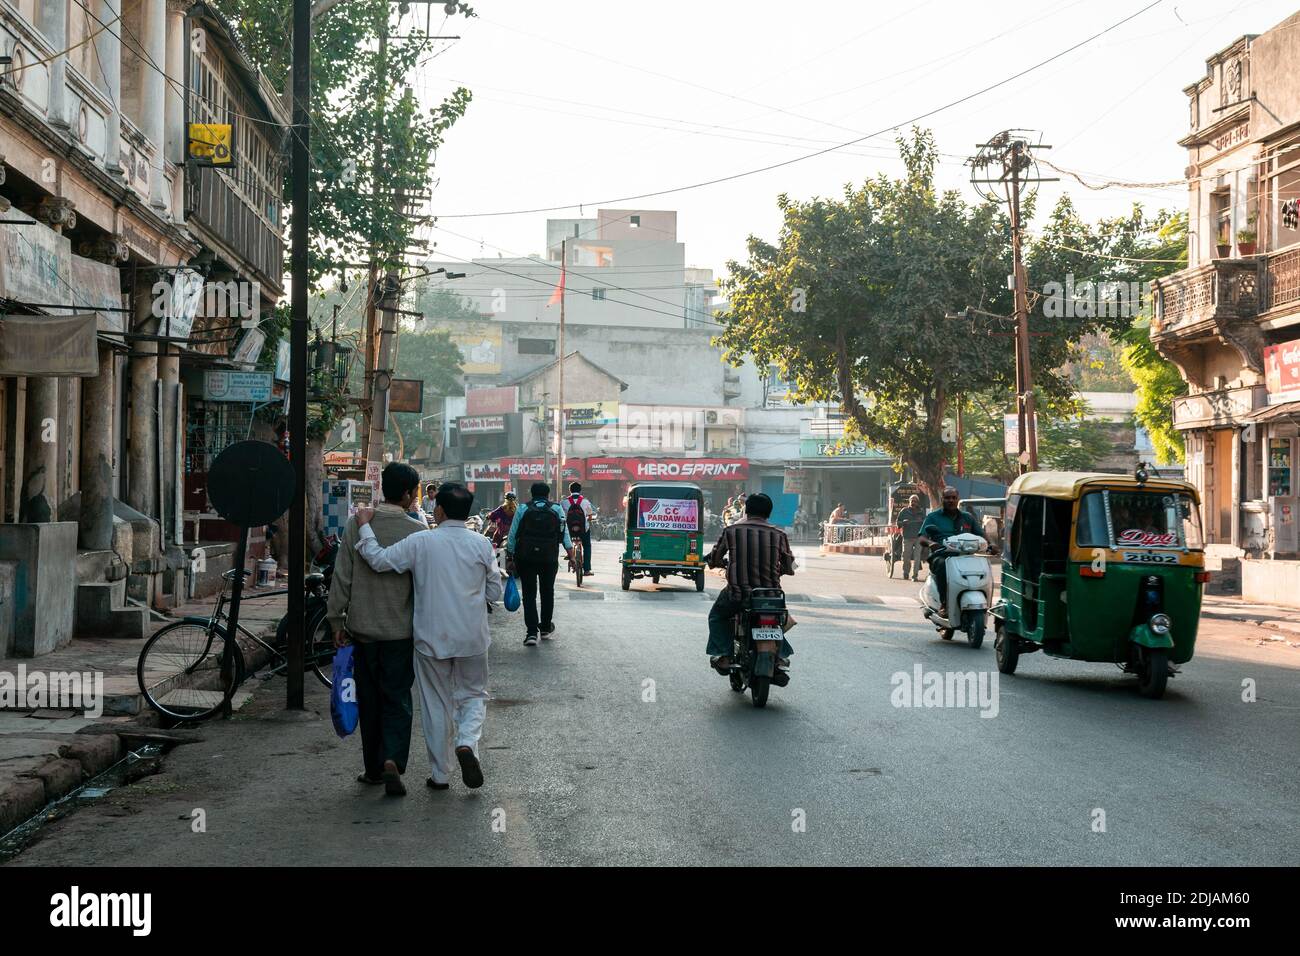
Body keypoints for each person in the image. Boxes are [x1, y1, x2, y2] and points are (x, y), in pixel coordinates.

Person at [353, 483, 504, 792]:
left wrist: (365, 527)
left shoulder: (421, 541)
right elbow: (494, 591)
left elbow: (379, 560)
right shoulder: (481, 544)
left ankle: (440, 776)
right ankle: (466, 743)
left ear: (440, 510)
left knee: (436, 704)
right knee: (473, 695)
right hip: (472, 639)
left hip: (431, 638)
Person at [326, 462, 426, 797]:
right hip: (400, 632)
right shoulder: (417, 531)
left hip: (363, 630)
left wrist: (336, 619)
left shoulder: (358, 523)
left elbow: (342, 574)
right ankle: (393, 760)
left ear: (383, 488)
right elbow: (423, 587)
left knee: (368, 701)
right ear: (409, 494)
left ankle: (372, 768)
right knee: (397, 699)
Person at [705, 493, 796, 677]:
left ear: (746, 510)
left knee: (717, 617)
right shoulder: (779, 535)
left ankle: (724, 655)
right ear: (769, 513)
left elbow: (715, 557)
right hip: (770, 597)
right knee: (777, 622)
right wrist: (784, 569)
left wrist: (716, 562)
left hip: (737, 594)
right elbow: (789, 565)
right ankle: (779, 656)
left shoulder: (731, 530)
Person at [506, 481, 573, 647]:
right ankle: (544, 628)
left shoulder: (523, 508)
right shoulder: (556, 509)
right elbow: (565, 535)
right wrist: (571, 555)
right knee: (547, 592)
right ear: (548, 494)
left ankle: (531, 633)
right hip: (549, 558)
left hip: (526, 557)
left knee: (529, 594)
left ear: (532, 494)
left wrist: (510, 557)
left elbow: (512, 535)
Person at [918, 487, 992, 615]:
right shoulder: (933, 517)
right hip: (941, 555)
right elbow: (922, 537)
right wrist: (931, 543)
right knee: (941, 566)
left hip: (965, 556)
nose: (951, 500)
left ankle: (985, 603)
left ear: (958, 499)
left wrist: (992, 544)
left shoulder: (967, 517)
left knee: (982, 567)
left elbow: (981, 534)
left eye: (953, 497)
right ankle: (944, 604)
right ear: (942, 499)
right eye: (947, 498)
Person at [563, 481, 597, 575]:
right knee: (587, 546)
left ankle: (569, 554)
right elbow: (590, 516)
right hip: (583, 530)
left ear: (570, 490)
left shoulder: (564, 502)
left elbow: (561, 517)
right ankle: (587, 569)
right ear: (580, 490)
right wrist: (588, 519)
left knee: (566, 540)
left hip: (569, 530)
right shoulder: (585, 502)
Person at [895, 494, 928, 582]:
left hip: (918, 538)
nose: (913, 503)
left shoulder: (921, 512)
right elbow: (897, 523)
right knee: (906, 556)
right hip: (907, 537)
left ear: (918, 503)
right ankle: (906, 572)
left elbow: (926, 524)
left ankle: (915, 575)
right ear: (909, 502)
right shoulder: (904, 511)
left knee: (917, 557)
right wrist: (903, 522)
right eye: (912, 501)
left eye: (915, 501)